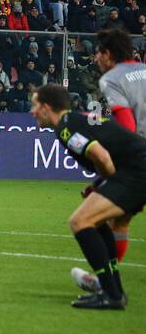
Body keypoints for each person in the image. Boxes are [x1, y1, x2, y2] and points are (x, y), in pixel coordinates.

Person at [31, 83, 146, 310]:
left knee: (80, 221)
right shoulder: (74, 120)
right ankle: (114, 291)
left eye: (35, 106)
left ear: (46, 107)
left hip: (138, 172)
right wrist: (99, 185)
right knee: (97, 221)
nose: (32, 112)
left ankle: (111, 294)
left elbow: (101, 156)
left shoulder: (66, 126)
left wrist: (107, 183)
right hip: (137, 169)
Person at [73, 28, 146, 296]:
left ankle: (104, 282)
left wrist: (106, 175)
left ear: (107, 54)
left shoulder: (112, 79)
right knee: (120, 220)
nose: (95, 59)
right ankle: (104, 280)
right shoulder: (143, 70)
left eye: (97, 53)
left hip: (139, 159)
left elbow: (126, 126)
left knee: (90, 220)